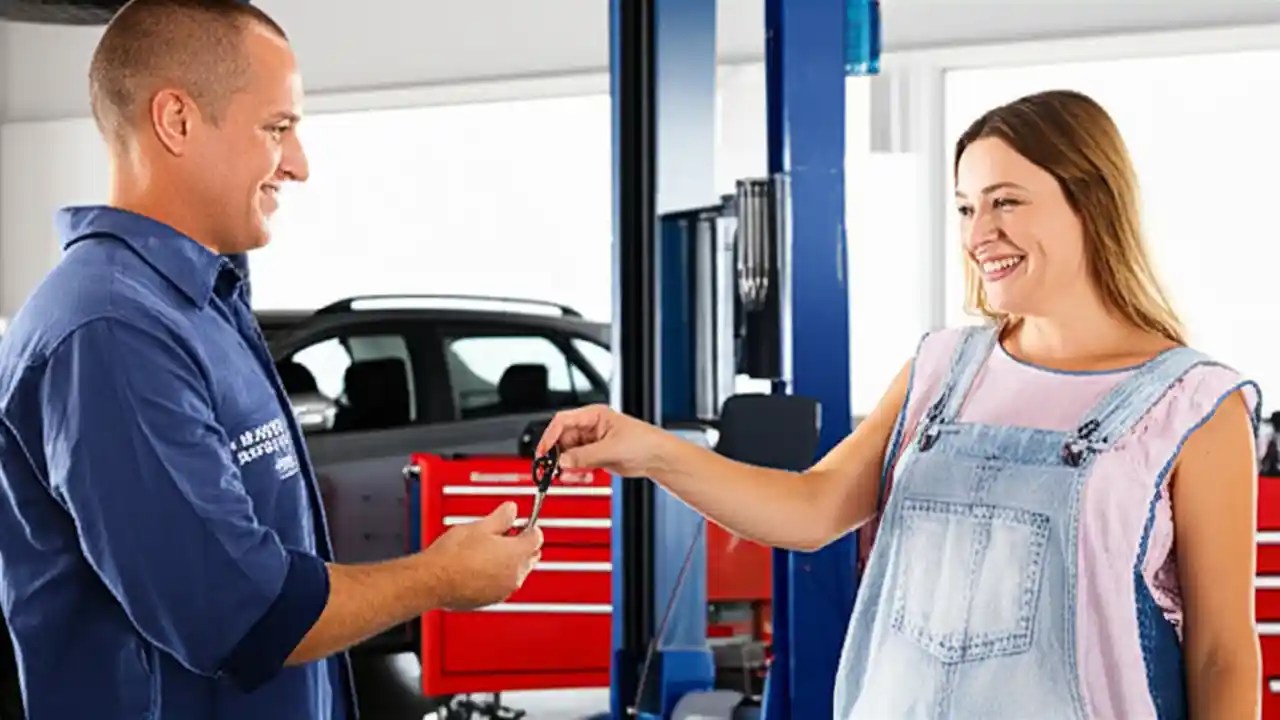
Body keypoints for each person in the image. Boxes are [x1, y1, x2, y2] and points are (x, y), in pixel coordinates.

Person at [540, 89, 1261, 719]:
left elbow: (1223, 654)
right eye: (966, 207)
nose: (980, 234)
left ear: (1092, 200)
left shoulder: (1190, 404)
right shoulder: (942, 369)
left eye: (1007, 201)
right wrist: (655, 452)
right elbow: (811, 509)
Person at [0, 1, 543, 718]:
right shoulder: (112, 331)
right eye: (276, 128)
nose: (299, 164)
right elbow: (239, 614)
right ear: (178, 121)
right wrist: (440, 577)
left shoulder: (197, 302)